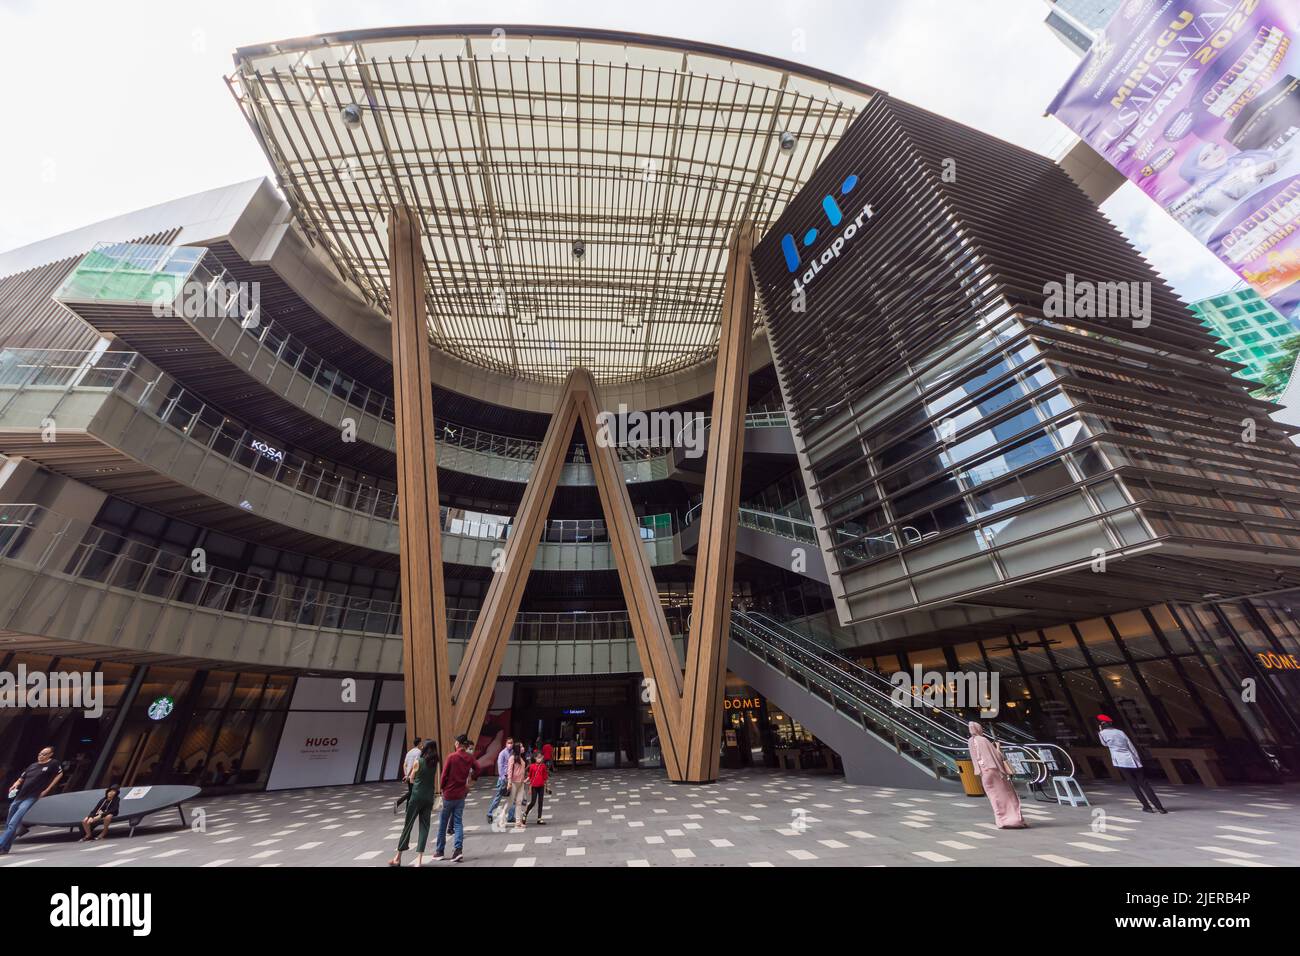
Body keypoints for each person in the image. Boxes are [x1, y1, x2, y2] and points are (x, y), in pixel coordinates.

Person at [1097, 714, 1166, 814]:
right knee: (1144, 784)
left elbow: (1104, 744)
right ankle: (1160, 807)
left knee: (1133, 785)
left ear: (1102, 724)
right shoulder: (1120, 732)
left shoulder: (1102, 733)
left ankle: (1147, 807)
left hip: (1120, 761)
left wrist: (1100, 731)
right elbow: (1130, 745)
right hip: (1132, 760)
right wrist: (1137, 759)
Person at [1, 746, 64, 854]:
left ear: (50, 754)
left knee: (13, 823)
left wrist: (47, 789)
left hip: (31, 797)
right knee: (9, 824)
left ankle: (1, 844)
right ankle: (5, 848)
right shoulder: (32, 766)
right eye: (40, 753)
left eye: (44, 754)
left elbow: (60, 774)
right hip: (19, 796)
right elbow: (21, 778)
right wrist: (15, 785)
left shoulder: (53, 763)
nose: (41, 756)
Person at [966, 722, 1026, 829]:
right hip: (994, 771)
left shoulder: (970, 742)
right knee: (1007, 795)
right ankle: (1015, 820)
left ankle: (1001, 821)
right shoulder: (983, 740)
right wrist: (997, 747)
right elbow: (997, 756)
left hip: (983, 773)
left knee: (994, 798)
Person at [389, 741, 439, 867]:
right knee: (424, 827)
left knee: (408, 825)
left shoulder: (419, 761)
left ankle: (398, 857)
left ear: (425, 748)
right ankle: (419, 860)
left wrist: (414, 778)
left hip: (416, 796)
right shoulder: (435, 763)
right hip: (429, 797)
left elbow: (411, 779)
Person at [433, 734, 480, 863]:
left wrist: (442, 789)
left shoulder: (451, 757)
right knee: (458, 822)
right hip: (460, 794)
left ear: (458, 744)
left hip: (448, 794)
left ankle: (440, 851)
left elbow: (443, 776)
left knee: (443, 823)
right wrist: (470, 783)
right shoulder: (469, 758)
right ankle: (458, 850)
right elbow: (478, 768)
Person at [487, 735, 515, 826]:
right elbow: (500, 766)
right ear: (506, 744)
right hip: (504, 779)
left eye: (511, 743)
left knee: (513, 798)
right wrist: (503, 778)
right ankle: (490, 813)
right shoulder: (502, 753)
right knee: (498, 798)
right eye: (508, 743)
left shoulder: (514, 753)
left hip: (511, 778)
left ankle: (511, 817)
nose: (510, 744)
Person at [394, 737, 423, 815]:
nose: (422, 744)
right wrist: (409, 775)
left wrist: (406, 774)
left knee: (411, 792)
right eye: (421, 743)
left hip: (409, 775)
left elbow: (405, 764)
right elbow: (415, 764)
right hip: (414, 775)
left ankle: (407, 809)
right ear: (419, 743)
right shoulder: (418, 752)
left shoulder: (409, 752)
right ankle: (398, 803)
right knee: (413, 792)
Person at [505, 743, 529, 831]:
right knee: (510, 802)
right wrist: (509, 782)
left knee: (519, 802)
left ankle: (518, 823)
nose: (523, 748)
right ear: (517, 749)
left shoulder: (521, 758)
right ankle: (501, 819)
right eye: (521, 747)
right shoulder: (512, 758)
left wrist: (525, 779)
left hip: (521, 783)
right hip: (514, 783)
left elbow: (522, 771)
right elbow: (509, 770)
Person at [523, 751, 550, 826]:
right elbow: (530, 776)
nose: (540, 759)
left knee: (540, 802)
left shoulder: (543, 766)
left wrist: (547, 787)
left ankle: (539, 818)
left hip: (541, 786)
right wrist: (525, 781)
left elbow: (545, 777)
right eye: (538, 757)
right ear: (535, 758)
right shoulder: (532, 766)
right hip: (534, 786)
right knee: (533, 802)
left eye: (541, 757)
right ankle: (525, 813)